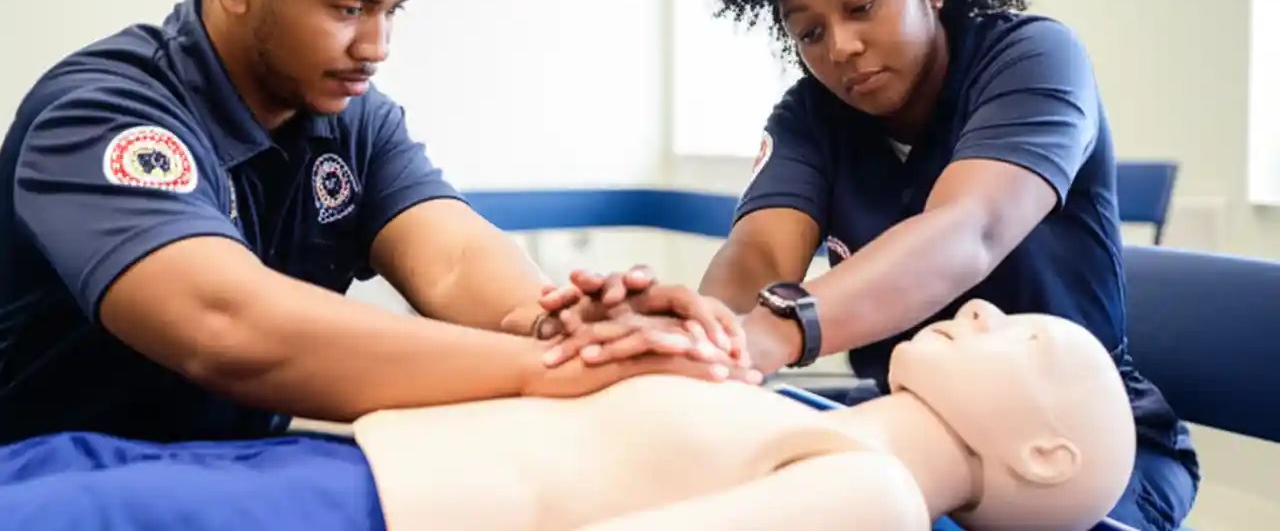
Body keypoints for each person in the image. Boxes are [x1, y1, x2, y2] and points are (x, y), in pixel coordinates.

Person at [0, 0, 747, 447]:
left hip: (231, 472)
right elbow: (227, 323)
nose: (377, 47)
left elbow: (451, 256)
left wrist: (559, 323)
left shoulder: (352, 120)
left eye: (394, 11)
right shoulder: (100, 113)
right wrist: (549, 371)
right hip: (49, 475)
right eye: (349, 8)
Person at [545, 0, 1197, 531]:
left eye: (860, 7)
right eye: (809, 33)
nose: (841, 48)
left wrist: (772, 335)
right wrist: (698, 335)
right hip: (913, 423)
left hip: (1091, 447)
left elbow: (965, 230)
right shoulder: (810, 116)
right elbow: (761, 256)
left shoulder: (1031, 58)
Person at [347, 300, 1136, 531]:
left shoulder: (878, 497)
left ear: (1045, 456)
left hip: (368, 508)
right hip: (359, 459)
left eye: (1028, 341)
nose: (982, 308)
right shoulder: (792, 407)